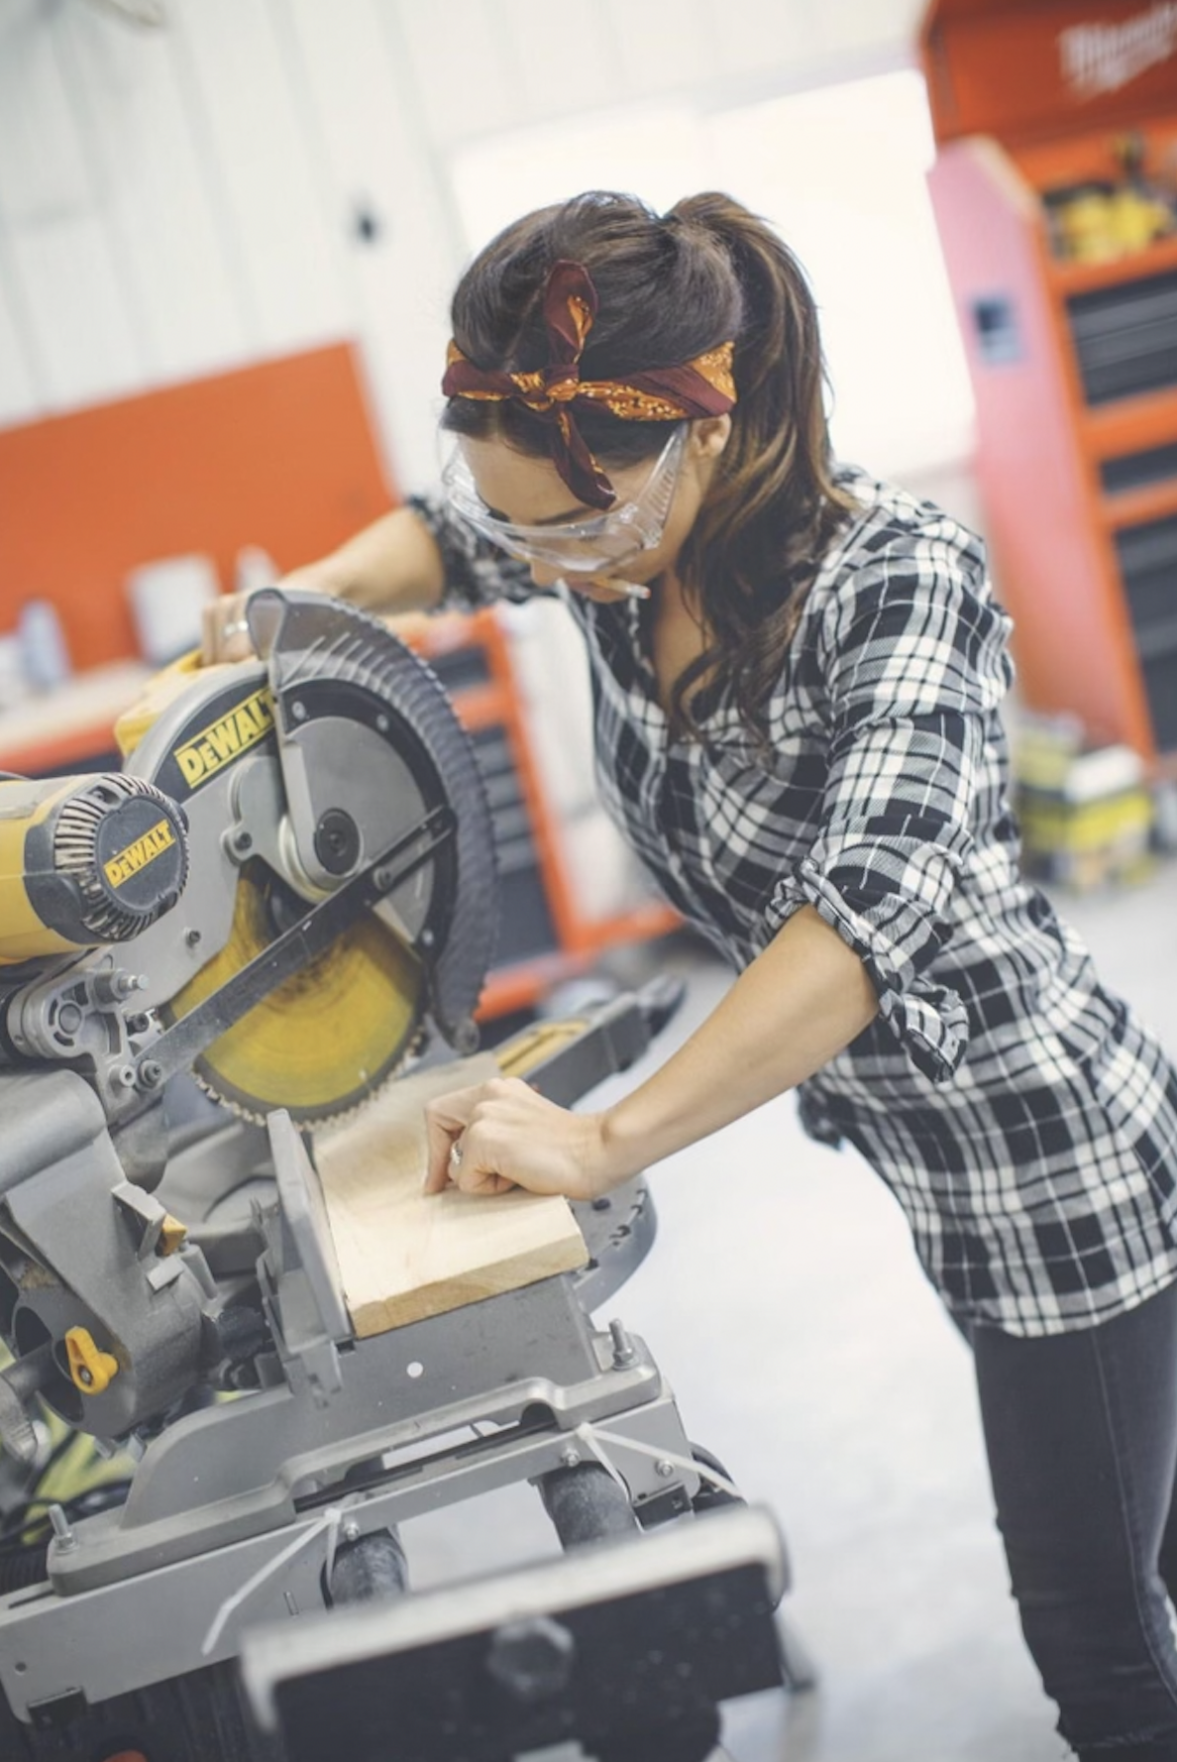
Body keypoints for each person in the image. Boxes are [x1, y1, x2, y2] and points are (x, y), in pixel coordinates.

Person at [204, 190, 1177, 1759]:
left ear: (702, 436)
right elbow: (450, 540)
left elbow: (863, 925)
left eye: (572, 526)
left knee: (1103, 1648)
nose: (544, 559)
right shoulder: (615, 550)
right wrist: (277, 617)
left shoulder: (897, 581)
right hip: (919, 1148)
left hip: (1046, 1164)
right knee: (1148, 1532)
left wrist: (601, 1139)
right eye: (523, 522)